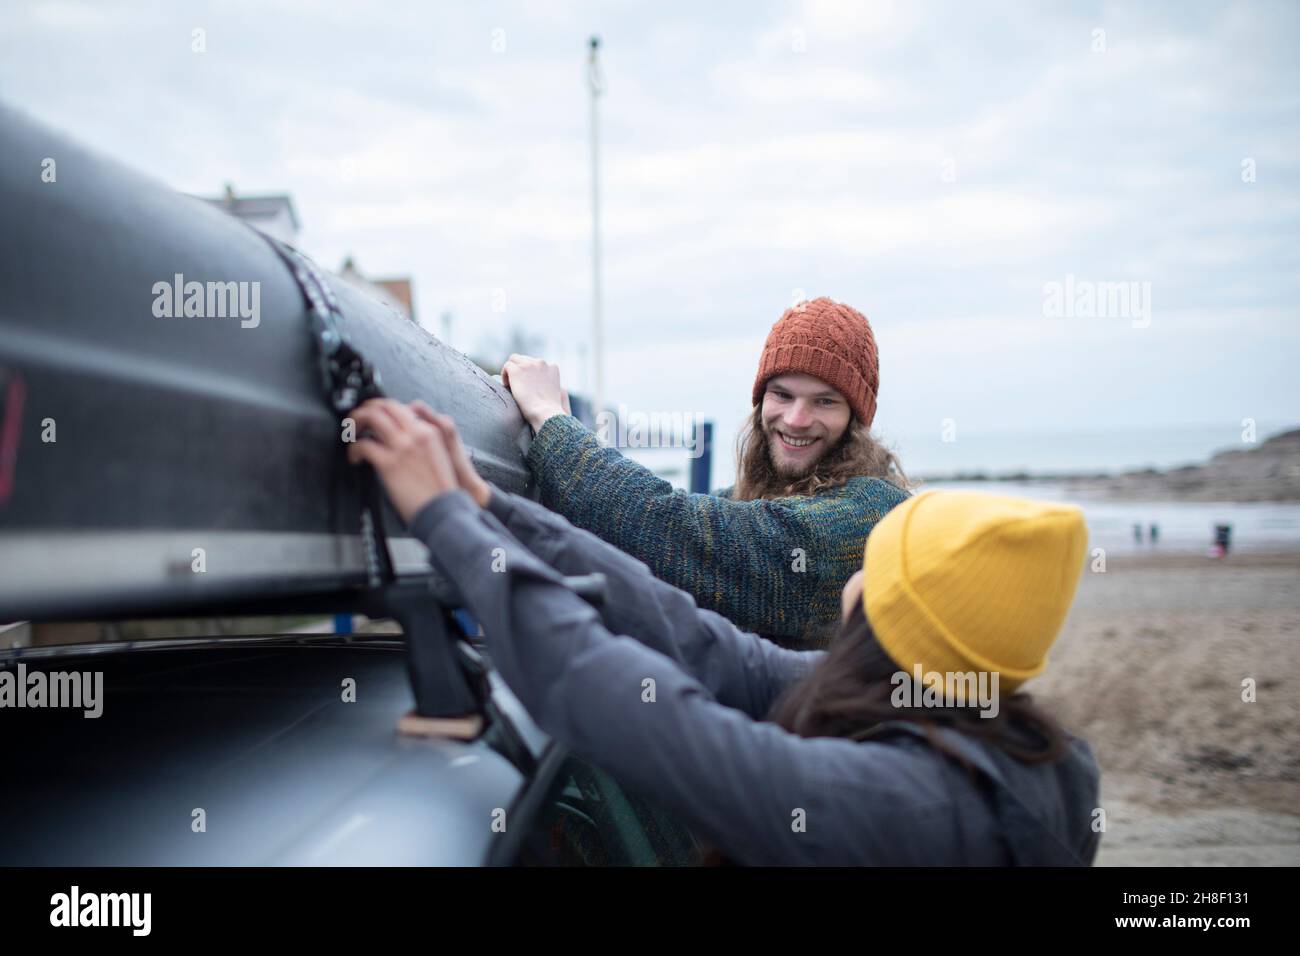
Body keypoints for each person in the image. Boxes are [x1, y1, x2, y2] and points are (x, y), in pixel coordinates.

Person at [346, 397, 1102, 866]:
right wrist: (489, 505)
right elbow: (693, 639)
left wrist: (445, 522)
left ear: (890, 608)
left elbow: (633, 708)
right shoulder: (972, 718)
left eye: (879, 565)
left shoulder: (898, 804)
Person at [502, 297, 910, 649]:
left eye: (824, 401)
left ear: (857, 420)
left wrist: (552, 421)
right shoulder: (754, 496)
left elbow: (684, 534)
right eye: (782, 395)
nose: (796, 418)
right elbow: (641, 529)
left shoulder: (870, 517)